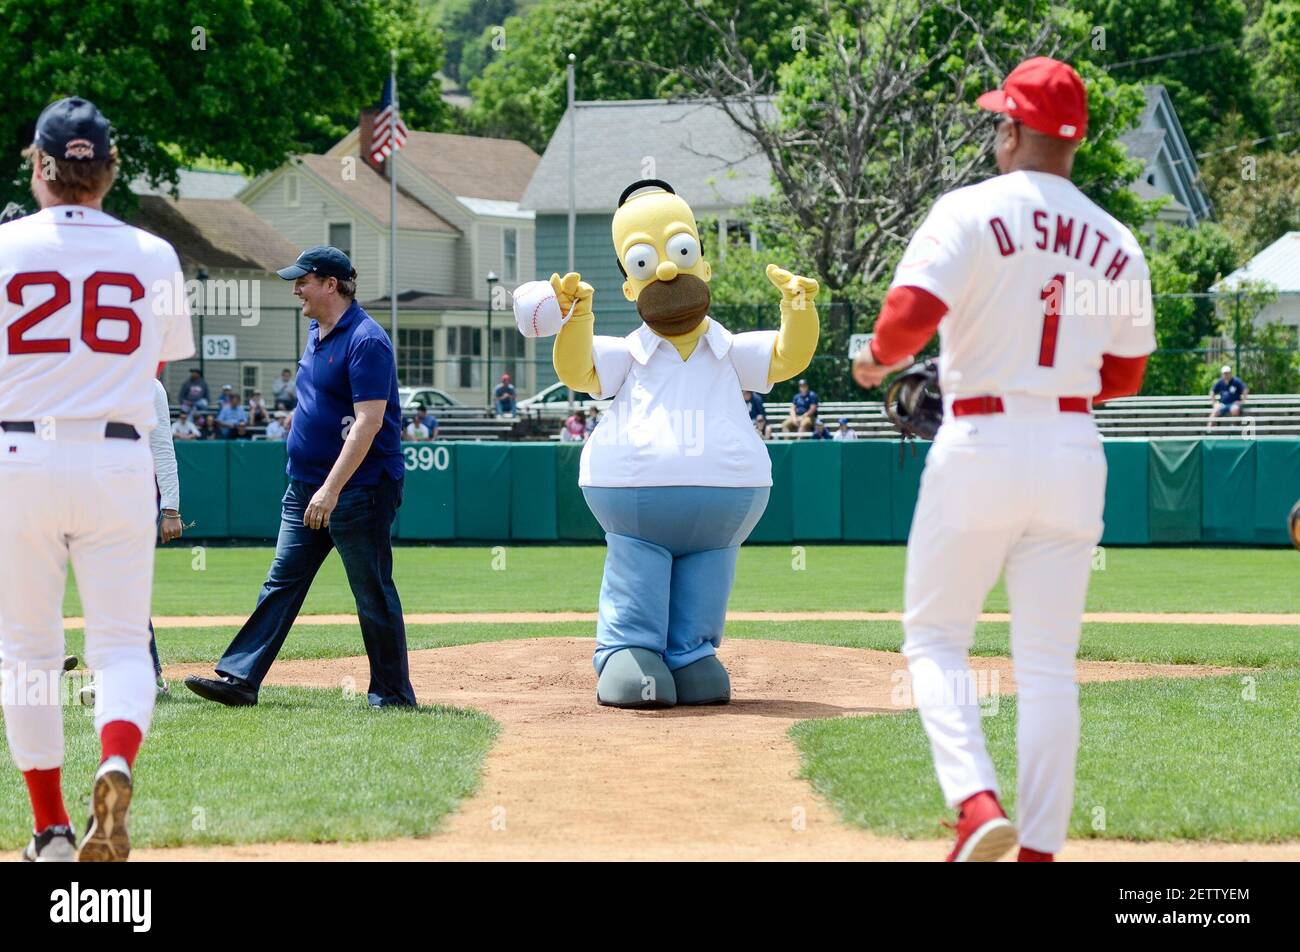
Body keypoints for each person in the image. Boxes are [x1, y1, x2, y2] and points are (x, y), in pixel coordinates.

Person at [852, 57, 1153, 862]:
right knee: (1050, 665)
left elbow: (911, 315)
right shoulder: (1116, 241)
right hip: (1071, 447)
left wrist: (877, 359)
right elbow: (1124, 375)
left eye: (999, 122)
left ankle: (975, 801)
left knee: (937, 640)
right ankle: (1040, 853)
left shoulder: (973, 211)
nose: (995, 134)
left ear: (1014, 131)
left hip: (981, 439)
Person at [0, 97, 195, 862]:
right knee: (118, 646)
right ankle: (115, 759)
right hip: (118, 455)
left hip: (19, 457)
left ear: (40, 167)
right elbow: (156, 360)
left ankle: (48, 830)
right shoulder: (153, 254)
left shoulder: (5, 247)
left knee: (27, 653)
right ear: (109, 169)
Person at [550, 179, 819, 708]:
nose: (668, 271)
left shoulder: (729, 347)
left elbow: (789, 357)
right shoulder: (628, 353)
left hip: (722, 505)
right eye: (646, 263)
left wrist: (799, 309)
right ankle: (631, 650)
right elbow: (577, 369)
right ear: (630, 286)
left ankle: (691, 654)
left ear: (703, 264)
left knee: (707, 575)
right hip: (637, 501)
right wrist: (577, 316)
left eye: (681, 252)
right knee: (639, 568)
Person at [184, 245, 414, 709]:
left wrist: (331, 490)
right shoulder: (316, 330)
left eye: (303, 280)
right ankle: (240, 679)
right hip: (304, 486)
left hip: (359, 490)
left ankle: (392, 693)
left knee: (371, 590)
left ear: (331, 284)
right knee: (281, 583)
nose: (296, 289)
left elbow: (368, 422)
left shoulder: (367, 340)